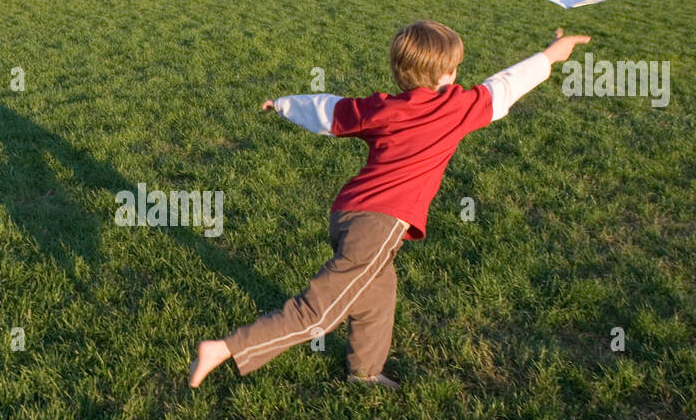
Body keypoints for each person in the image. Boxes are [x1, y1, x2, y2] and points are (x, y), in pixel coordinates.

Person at [188, 20, 591, 388]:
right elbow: (507, 84)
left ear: (400, 72)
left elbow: (327, 110)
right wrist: (553, 54)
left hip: (347, 213)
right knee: (320, 313)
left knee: (378, 293)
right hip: (379, 224)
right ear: (448, 75)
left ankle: (364, 373)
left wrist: (282, 104)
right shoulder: (457, 107)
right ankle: (224, 349)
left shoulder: (382, 107)